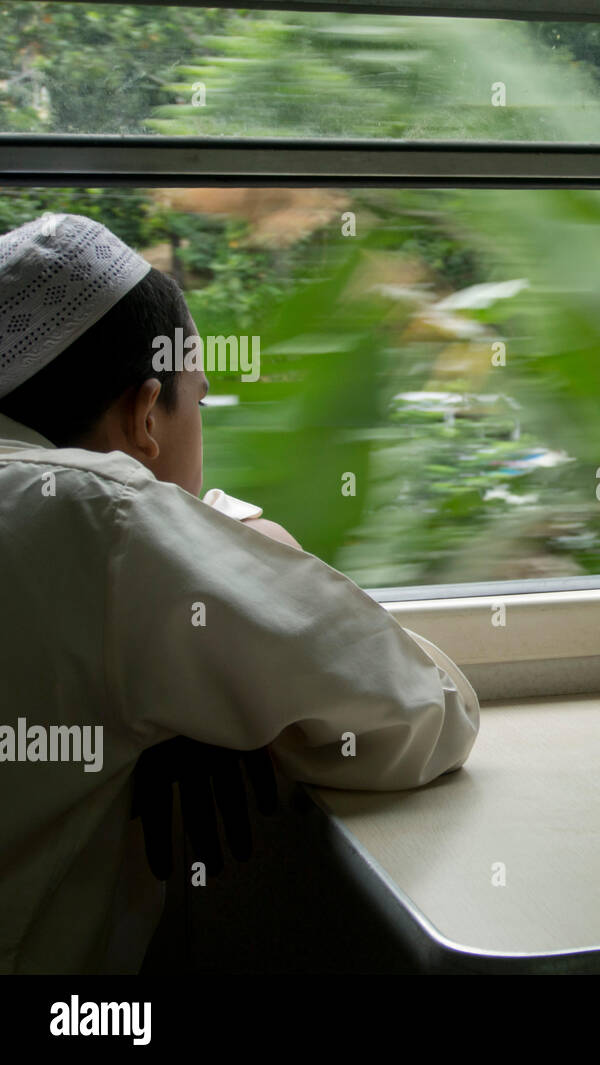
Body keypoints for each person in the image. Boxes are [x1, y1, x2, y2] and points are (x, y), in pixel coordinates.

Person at [0, 213, 479, 974]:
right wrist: (248, 537)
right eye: (199, 399)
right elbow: (426, 710)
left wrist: (181, 694)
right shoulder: (108, 521)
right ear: (144, 414)